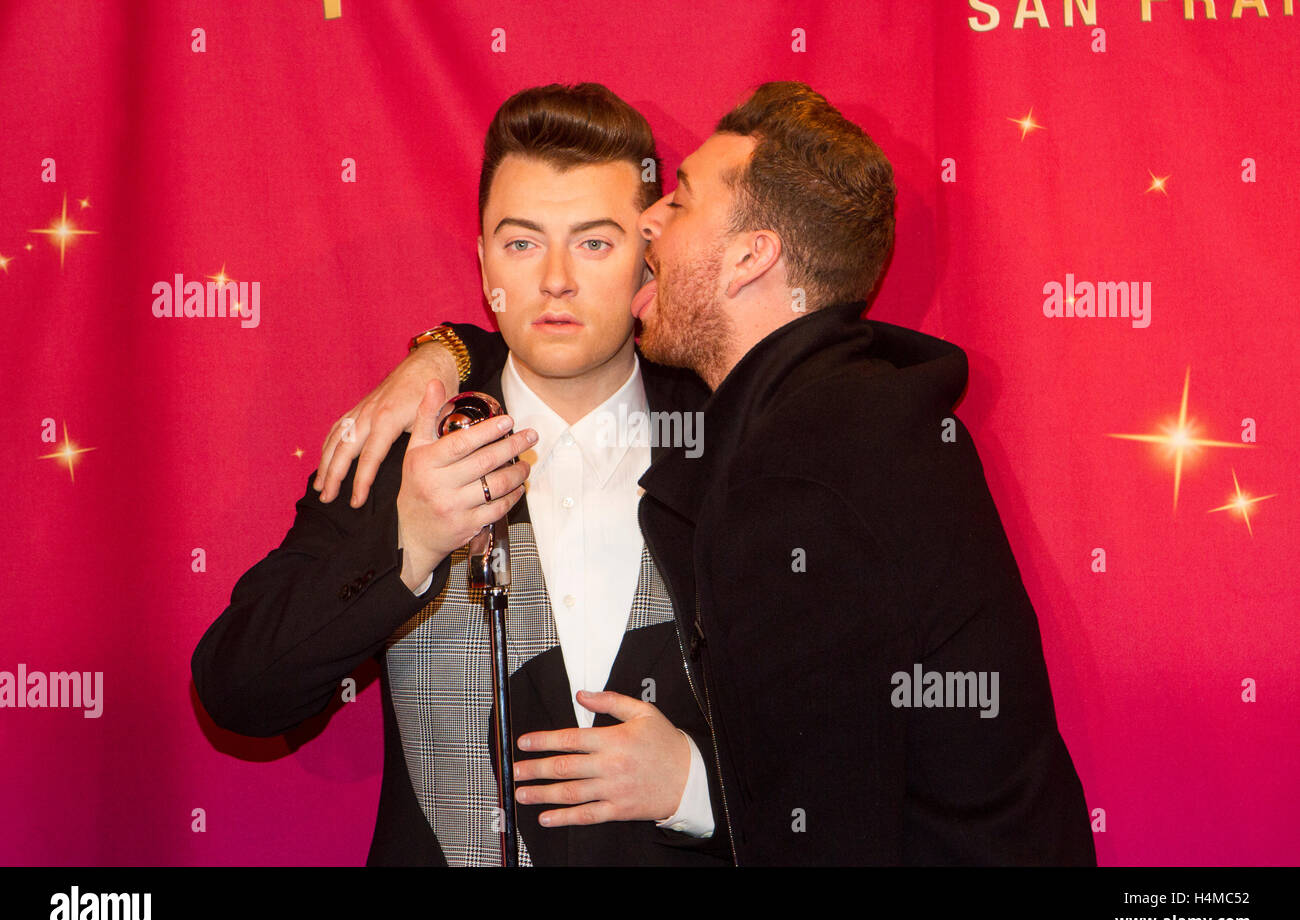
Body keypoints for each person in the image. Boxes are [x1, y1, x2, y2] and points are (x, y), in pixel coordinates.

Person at [323, 82, 1096, 865]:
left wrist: (691, 782)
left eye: (682, 202)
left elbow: (822, 825)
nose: (651, 221)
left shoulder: (803, 472)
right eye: (519, 243)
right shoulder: (848, 410)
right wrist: (447, 349)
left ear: (751, 257)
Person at [192, 83, 730, 866]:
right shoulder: (400, 444)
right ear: (483, 264)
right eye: (520, 243)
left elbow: (843, 740)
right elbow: (238, 691)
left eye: (594, 243)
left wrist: (696, 786)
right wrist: (406, 541)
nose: (553, 279)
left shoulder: (735, 440)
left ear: (650, 257)